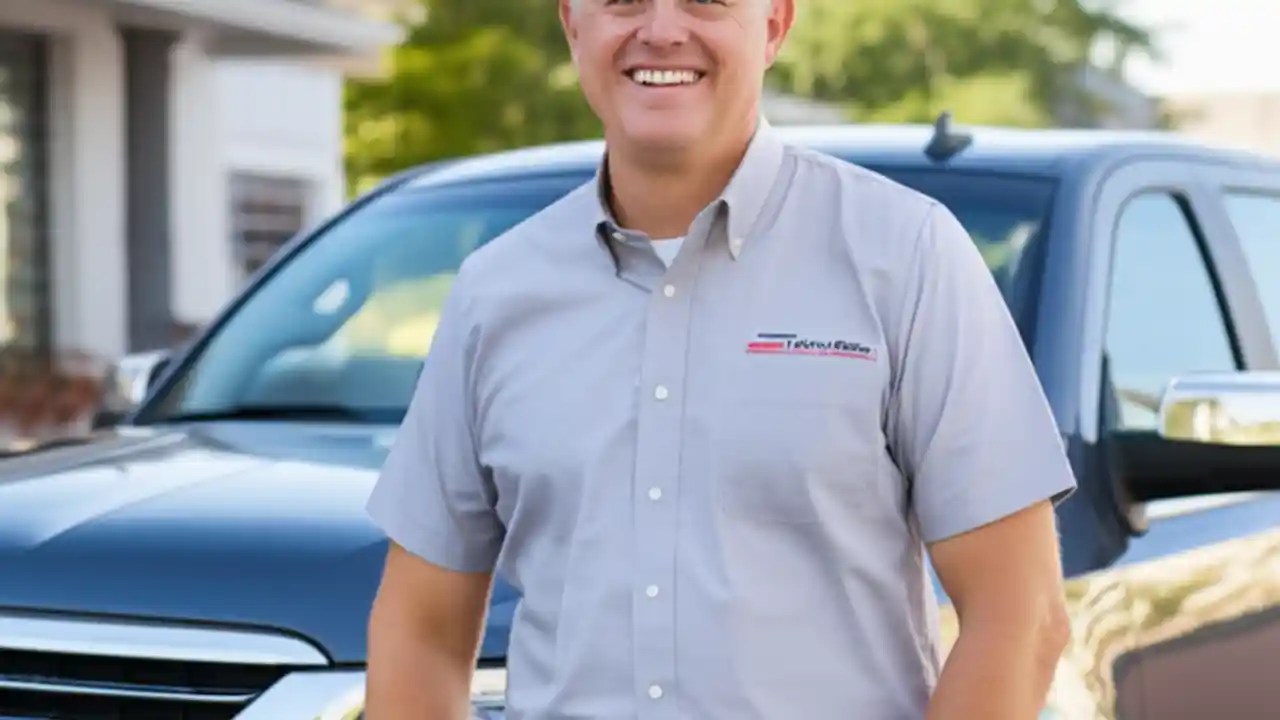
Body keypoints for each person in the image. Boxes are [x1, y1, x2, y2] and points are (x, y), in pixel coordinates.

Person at [364, 0, 1078, 718]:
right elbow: (419, 628)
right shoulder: (495, 292)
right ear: (572, 23)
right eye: (623, 1)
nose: (662, 29)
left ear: (774, 23)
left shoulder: (905, 255)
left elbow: (1019, 615)